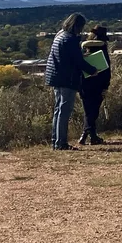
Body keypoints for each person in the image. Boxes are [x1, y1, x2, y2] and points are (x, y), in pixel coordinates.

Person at [45, 13, 96, 150]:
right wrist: (92, 70)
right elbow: (78, 61)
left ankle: (56, 141)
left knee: (58, 110)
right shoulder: (70, 39)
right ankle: (61, 143)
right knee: (64, 111)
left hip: (56, 77)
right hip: (67, 79)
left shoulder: (60, 35)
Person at [79, 24, 111, 146]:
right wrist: (106, 86)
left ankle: (87, 135)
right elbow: (107, 71)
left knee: (88, 111)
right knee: (93, 111)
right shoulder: (103, 50)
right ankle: (90, 135)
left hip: (84, 84)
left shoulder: (84, 49)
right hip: (98, 85)